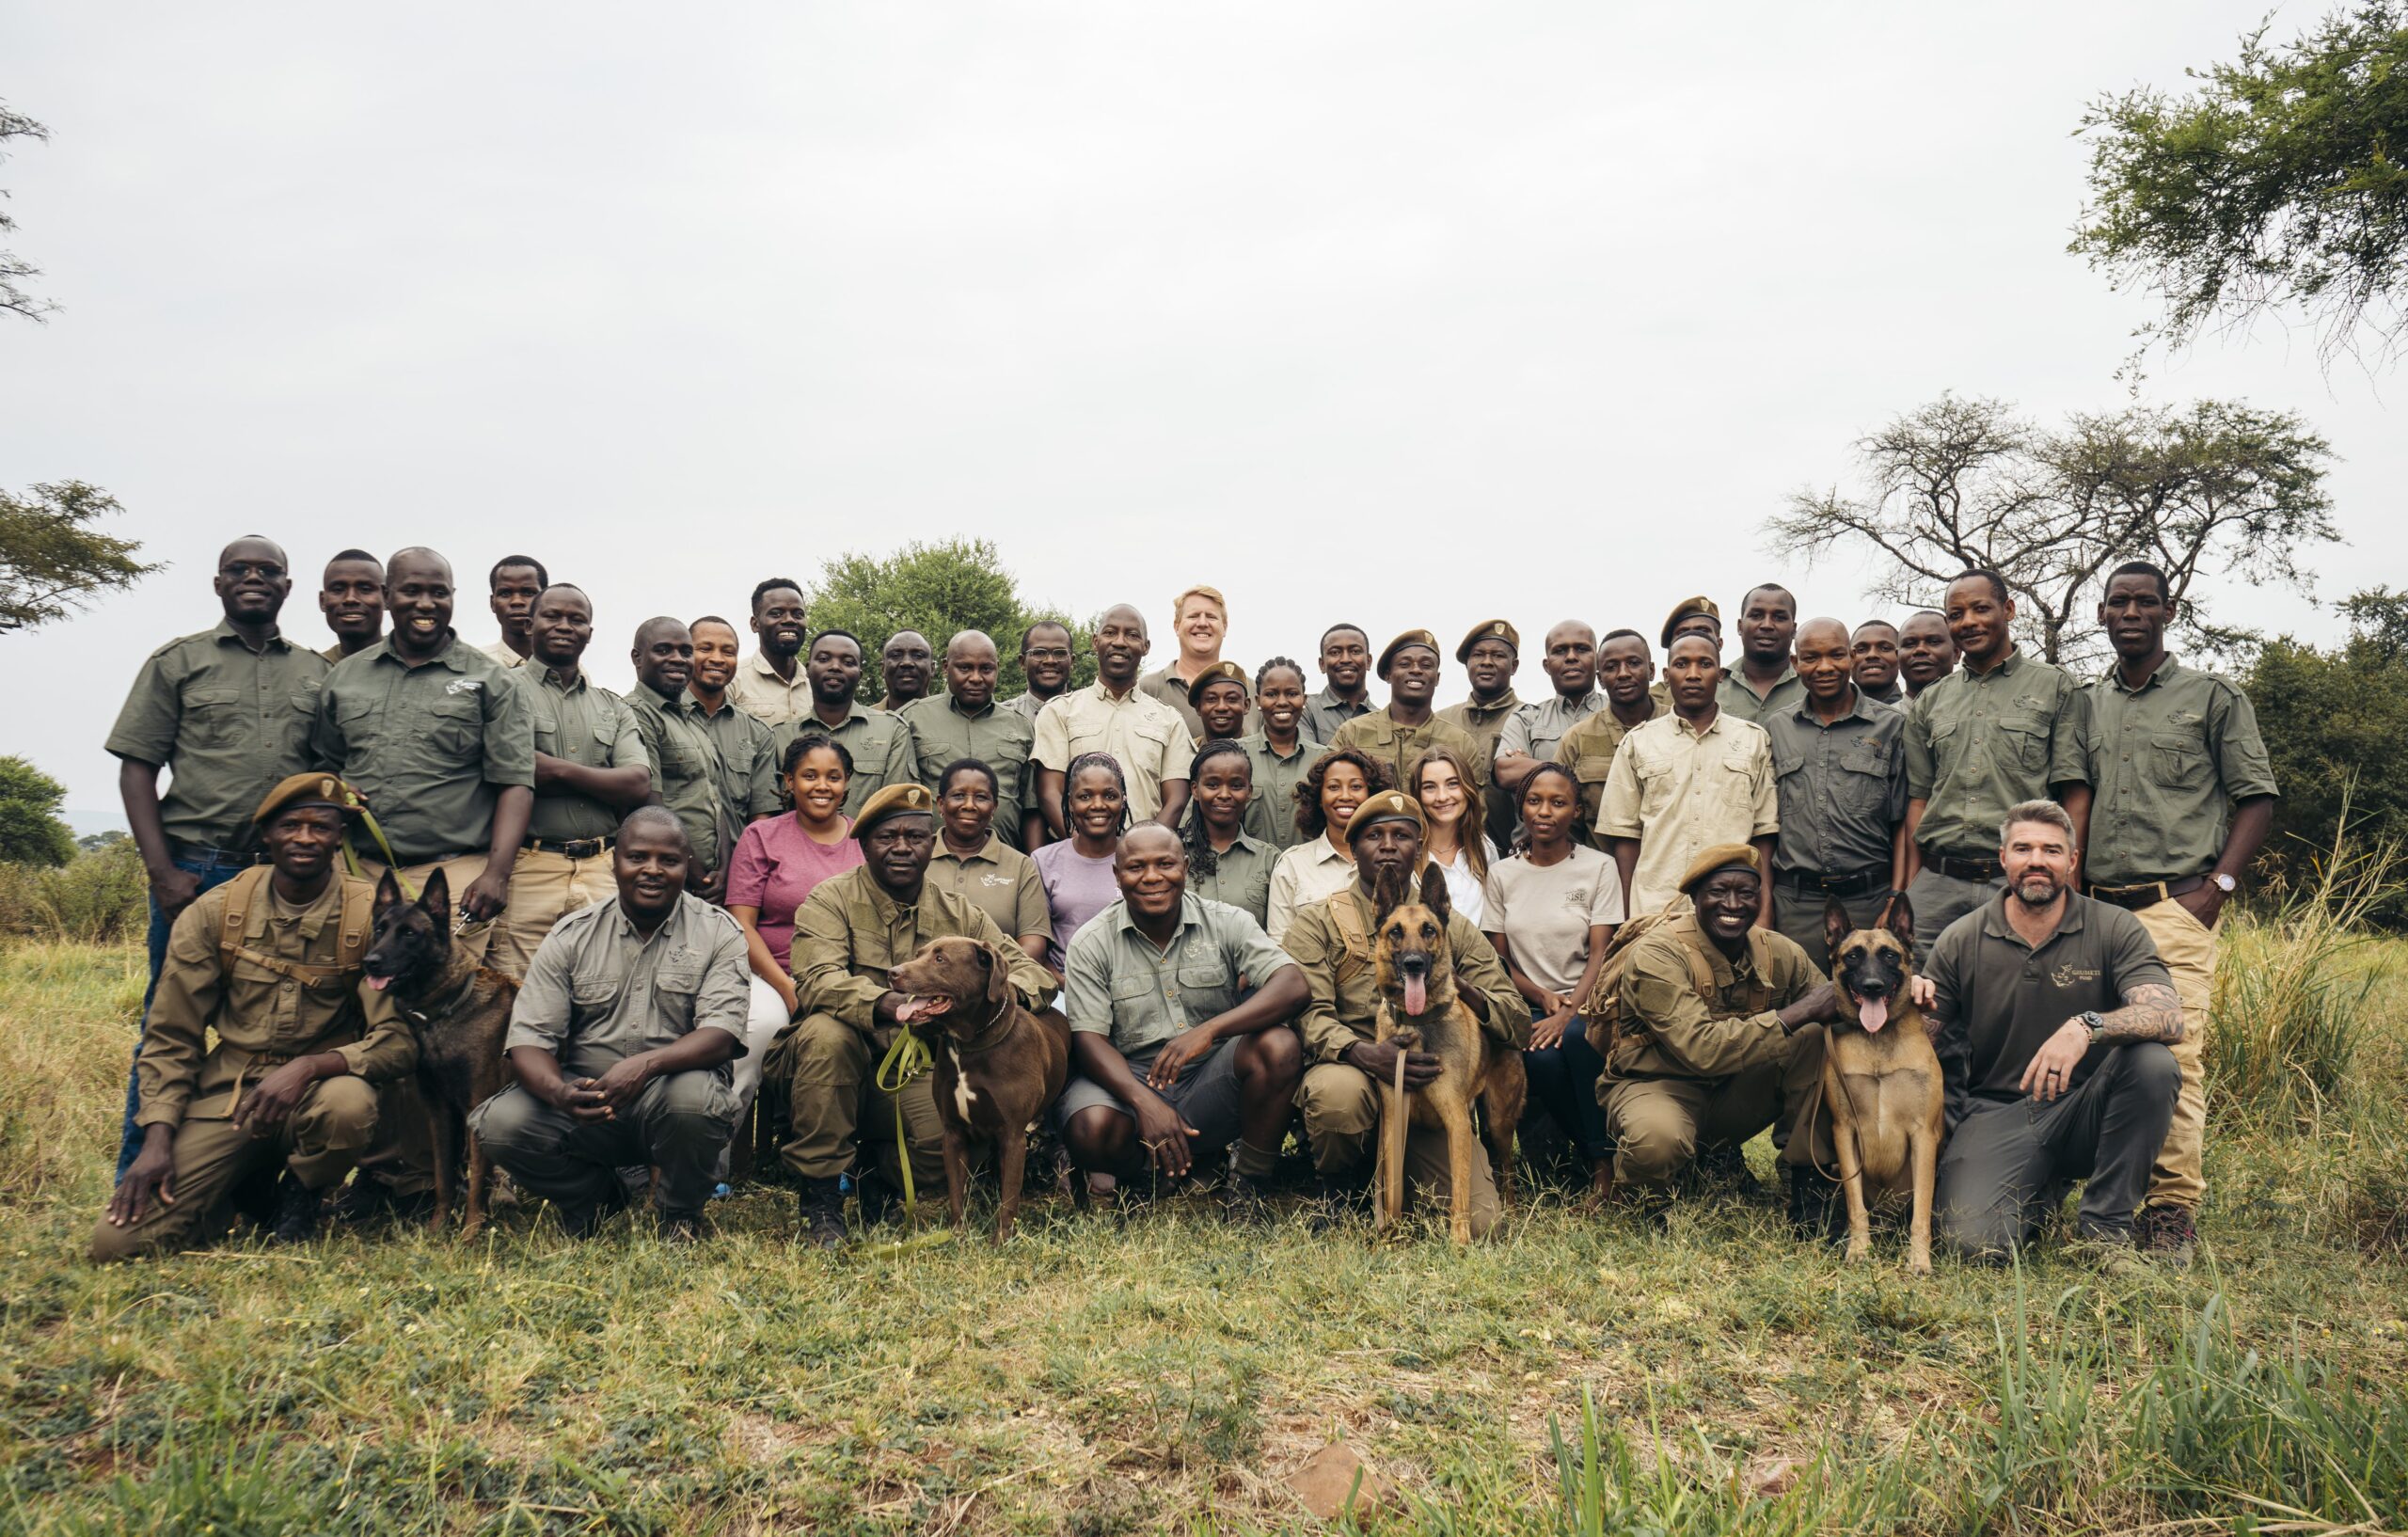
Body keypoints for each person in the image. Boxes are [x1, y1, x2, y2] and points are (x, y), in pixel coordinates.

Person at [91, 773, 415, 1260]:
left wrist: (308, 1067)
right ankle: (244, 1187)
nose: (304, 838)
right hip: (232, 1093)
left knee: (347, 1107)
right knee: (116, 1245)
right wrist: (156, 1142)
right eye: (290, 825)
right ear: (265, 834)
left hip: (322, 1090)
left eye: (320, 828)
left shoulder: (369, 914)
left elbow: (398, 1040)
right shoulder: (214, 912)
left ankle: (300, 1194)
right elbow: (171, 1039)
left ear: (338, 838)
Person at [107, 536, 331, 1179]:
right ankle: (138, 1172)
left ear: (288, 587)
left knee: (285, 1024)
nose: (254, 579)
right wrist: (163, 874)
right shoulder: (179, 662)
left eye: (269, 571)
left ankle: (257, 1181)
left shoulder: (314, 673)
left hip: (286, 876)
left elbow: (325, 775)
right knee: (170, 1022)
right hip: (196, 870)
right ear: (218, 584)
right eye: (240, 570)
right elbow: (137, 771)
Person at [2082, 560, 2277, 1263]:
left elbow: (2257, 795)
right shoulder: (2086, 704)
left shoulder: (2212, 697)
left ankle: (2170, 1213)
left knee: (2171, 1054)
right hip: (2096, 905)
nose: (2131, 613)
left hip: (2175, 905)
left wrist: (2216, 890)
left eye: (2145, 602)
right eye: (2118, 603)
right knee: (2091, 1050)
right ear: (2101, 615)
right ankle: (2098, 1200)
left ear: (2169, 611)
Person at [766, 784, 1058, 1244]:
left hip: (910, 1067)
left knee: (939, 1142)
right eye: (887, 837)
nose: (902, 848)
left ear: (932, 844)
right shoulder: (831, 899)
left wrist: (1002, 994)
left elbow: (1028, 971)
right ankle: (820, 1201)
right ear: (864, 845)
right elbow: (816, 980)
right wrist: (890, 1005)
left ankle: (874, 1178)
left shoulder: (958, 912)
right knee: (827, 1037)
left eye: (916, 837)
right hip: (832, 1063)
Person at [471, 807, 750, 1242]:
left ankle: (679, 1215)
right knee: (499, 1124)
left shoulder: (719, 932)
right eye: (637, 857)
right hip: (586, 1097)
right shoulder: (571, 935)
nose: (652, 870)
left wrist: (646, 1066)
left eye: (669, 860)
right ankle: (595, 1198)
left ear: (686, 866)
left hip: (671, 1097)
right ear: (614, 861)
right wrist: (559, 1093)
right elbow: (528, 1041)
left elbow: (721, 1035)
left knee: (695, 1101)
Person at [1927, 800, 2185, 1262]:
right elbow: (1918, 1040)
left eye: (2051, 850)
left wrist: (2089, 1026)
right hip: (1997, 1112)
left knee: (2152, 1063)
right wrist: (1895, 999)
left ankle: (2105, 1230)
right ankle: (2038, 1190)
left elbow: (2168, 1016)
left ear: (2072, 860)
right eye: (2023, 848)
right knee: (1972, 1247)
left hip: (2090, 1110)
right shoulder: (1961, 938)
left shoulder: (2113, 927)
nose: (2037, 861)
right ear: (2003, 858)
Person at [1279, 790, 1525, 1234]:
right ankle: (1339, 1189)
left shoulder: (1447, 925)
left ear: (1419, 849)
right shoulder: (1317, 921)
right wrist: (1362, 1052)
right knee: (1339, 1097)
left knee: (1486, 1225)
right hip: (1356, 1072)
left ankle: (1406, 1178)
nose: (1388, 845)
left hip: (1431, 1088)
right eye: (1374, 835)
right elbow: (1308, 1014)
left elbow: (1514, 1016)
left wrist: (1460, 989)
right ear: (1353, 849)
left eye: (1402, 835)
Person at [1056, 824, 1307, 1213]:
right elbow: (1089, 1040)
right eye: (1136, 867)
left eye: (1165, 864)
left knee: (1279, 1046)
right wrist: (1145, 1102)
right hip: (1129, 1079)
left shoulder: (1227, 921)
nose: (1152, 877)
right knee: (1090, 1128)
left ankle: (1249, 1184)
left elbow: (1292, 985)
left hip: (1210, 1078)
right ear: (1117, 875)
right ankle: (1147, 1174)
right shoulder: (1092, 941)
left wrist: (1211, 1030)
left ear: (1185, 867)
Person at [1595, 845, 1838, 1221]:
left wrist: (1909, 992)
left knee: (1817, 1038)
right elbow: (1701, 1049)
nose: (1733, 904)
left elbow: (1834, 1007)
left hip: (1733, 1091)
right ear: (1695, 898)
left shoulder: (1778, 951)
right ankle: (1642, 1201)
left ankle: (1807, 1182)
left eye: (1746, 893)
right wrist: (1797, 1012)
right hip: (1659, 1084)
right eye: (1718, 892)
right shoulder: (1659, 954)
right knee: (1657, 1141)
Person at [309, 546, 532, 954]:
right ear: (388, 595)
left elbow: (515, 781)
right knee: (355, 1002)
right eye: (412, 591)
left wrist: (496, 874)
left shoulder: (491, 680)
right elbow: (324, 765)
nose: (426, 604)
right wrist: (336, 789)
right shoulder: (345, 677)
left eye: (440, 592)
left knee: (444, 1009)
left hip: (452, 878)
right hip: (362, 873)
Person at [1901, 570, 2092, 956]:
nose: (1968, 622)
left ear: (2008, 609)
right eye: (1956, 615)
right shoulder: (1931, 701)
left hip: (2019, 880)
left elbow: (2075, 793)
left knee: (2018, 995)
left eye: (1980, 609)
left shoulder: (2055, 687)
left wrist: (2071, 879)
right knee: (1921, 998)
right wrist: (1908, 890)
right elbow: (1918, 800)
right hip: (1937, 883)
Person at [493, 585, 654, 979]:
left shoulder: (610, 705)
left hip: (602, 868)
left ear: (589, 632)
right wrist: (600, 779)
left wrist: (557, 770)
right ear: (531, 625)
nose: (565, 626)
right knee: (520, 995)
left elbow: (637, 784)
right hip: (530, 868)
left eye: (577, 619)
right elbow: (508, 772)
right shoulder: (501, 690)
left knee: (605, 991)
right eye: (553, 616)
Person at [1484, 763, 1624, 1194]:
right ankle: (1595, 1155)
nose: (1544, 811)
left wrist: (1569, 1011)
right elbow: (1499, 960)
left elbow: (1602, 951)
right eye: (1534, 800)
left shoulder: (1599, 867)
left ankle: (1604, 1172)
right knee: (1541, 1060)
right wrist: (1543, 997)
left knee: (1580, 1039)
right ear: (1520, 808)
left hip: (1588, 1002)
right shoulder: (1503, 873)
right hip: (1529, 1004)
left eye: (1558, 802)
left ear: (1576, 812)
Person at [725, 733, 868, 1137]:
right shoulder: (762, 836)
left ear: (846, 783)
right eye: (809, 775)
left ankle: (839, 1156)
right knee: (756, 1031)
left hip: (844, 977)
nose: (822, 786)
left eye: (834, 777)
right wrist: (786, 987)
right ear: (789, 781)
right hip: (771, 973)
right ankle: (710, 1159)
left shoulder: (863, 839)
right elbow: (741, 924)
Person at [1598, 633, 1778, 921]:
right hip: (1656, 909)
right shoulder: (1638, 743)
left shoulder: (1752, 740)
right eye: (1682, 664)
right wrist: (1628, 920)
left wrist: (1763, 916)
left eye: (1704, 664)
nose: (1693, 675)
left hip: (1732, 912)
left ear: (1720, 675)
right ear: (1667, 676)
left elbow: (1763, 838)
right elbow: (1626, 839)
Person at [1763, 617, 1908, 971]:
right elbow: (1764, 825)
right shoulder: (1777, 727)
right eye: (1811, 658)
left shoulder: (1892, 726)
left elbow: (1903, 820)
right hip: (1796, 904)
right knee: (1799, 1009)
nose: (1824, 667)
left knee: (1872, 1007)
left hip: (1870, 899)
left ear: (1853, 658)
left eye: (1836, 655)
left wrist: (1896, 896)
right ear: (1796, 664)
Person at [1032, 605, 1195, 834]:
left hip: (1146, 862)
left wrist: (1144, 849)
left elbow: (1176, 800)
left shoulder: (1169, 719)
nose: (1119, 642)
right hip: (1076, 855)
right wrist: (1084, 849)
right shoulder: (1060, 712)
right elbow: (1049, 793)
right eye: (1110, 633)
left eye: (1132, 635)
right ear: (1095, 641)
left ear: (1146, 647)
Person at [623, 617, 734, 903]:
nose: (677, 660)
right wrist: (692, 869)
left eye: (686, 652)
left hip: (711, 879)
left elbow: (715, 797)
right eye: (663, 650)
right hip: (671, 878)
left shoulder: (690, 716)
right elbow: (651, 803)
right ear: (637, 658)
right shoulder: (637, 713)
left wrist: (724, 866)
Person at [898, 629, 1040, 848]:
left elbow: (1031, 808)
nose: (976, 678)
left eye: (986, 669)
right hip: (930, 860)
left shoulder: (1020, 726)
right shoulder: (912, 718)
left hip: (1003, 861)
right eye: (965, 668)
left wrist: (1032, 863)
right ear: (946, 667)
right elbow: (900, 799)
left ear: (997, 668)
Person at [1328, 630, 1489, 799]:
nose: (1416, 670)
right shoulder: (1352, 733)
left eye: (1426, 665)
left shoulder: (1461, 743)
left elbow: (1474, 813)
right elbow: (1329, 795)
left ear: (1437, 678)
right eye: (1405, 664)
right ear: (1388, 674)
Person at [926, 758, 1052, 965]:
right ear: (941, 803)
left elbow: (1033, 946)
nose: (969, 805)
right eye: (958, 796)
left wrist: (985, 979)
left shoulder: (1020, 866)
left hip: (996, 985)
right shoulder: (918, 857)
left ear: (994, 807)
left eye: (981, 798)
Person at [1490, 623, 1603, 847]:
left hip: (1600, 855)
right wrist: (1594, 775)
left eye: (1581, 649)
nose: (1571, 657)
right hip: (1533, 855)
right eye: (1560, 651)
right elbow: (1505, 771)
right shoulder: (1527, 718)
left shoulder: (1615, 715)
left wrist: (1534, 769)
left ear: (1597, 658)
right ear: (1546, 664)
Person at [1554, 629, 1666, 853]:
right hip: (1604, 875)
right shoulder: (1578, 740)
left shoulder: (1679, 727)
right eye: (1611, 667)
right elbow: (1563, 819)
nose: (1623, 673)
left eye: (1633, 663)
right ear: (1600, 680)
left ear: (1652, 671)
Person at [790, 629, 919, 818]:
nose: (835, 667)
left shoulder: (892, 730)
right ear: (808, 669)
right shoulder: (779, 735)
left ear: (860, 674)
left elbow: (897, 811)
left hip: (865, 848)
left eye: (848, 662)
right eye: (824, 659)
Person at [1266, 747, 1386, 943]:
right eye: (1333, 787)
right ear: (1319, 798)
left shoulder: (1393, 859)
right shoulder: (1292, 865)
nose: (1345, 796)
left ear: (1371, 795)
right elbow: (1279, 947)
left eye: (1356, 787)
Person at [687, 614, 785, 840]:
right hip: (670, 865)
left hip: (736, 866)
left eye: (728, 652)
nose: (717, 659)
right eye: (705, 649)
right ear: (686, 654)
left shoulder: (758, 733)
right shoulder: (663, 717)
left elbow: (762, 817)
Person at [1033, 753, 1132, 967]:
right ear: (1070, 803)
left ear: (1123, 801)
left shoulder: (1137, 856)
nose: (1098, 805)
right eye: (1085, 796)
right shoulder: (1043, 861)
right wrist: (1068, 988)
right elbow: (1036, 948)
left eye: (1109, 795)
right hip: (1062, 991)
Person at [1436, 619, 1523, 849]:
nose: (1487, 662)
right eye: (1478, 655)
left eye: (1497, 655)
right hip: (1449, 854)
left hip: (1511, 854)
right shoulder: (1441, 721)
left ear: (1514, 666)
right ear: (1467, 664)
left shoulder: (1529, 719)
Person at [1178, 739, 1277, 927]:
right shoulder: (1173, 854)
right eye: (1213, 785)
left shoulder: (1269, 860)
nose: (1224, 794)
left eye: (1236, 785)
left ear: (1249, 791)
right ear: (1195, 790)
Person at [1239, 657, 1323, 851]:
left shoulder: (1325, 760)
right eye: (1272, 694)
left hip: (1309, 876)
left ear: (1304, 700)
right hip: (1250, 874)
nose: (1282, 702)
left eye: (1292, 693)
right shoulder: (1235, 754)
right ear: (1259, 701)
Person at [1138, 584, 1237, 738]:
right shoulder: (1147, 689)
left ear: (1224, 627)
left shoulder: (1250, 691)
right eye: (1193, 616)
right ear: (1176, 626)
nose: (1203, 623)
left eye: (1211, 616)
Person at [1412, 746, 1496, 927]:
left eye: (1452, 784)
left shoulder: (1485, 848)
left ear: (1468, 787)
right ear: (1417, 794)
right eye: (1429, 787)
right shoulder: (1407, 853)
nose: (1442, 797)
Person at [727, 578, 812, 726]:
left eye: (798, 614)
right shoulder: (732, 681)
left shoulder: (816, 683)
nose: (790, 620)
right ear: (755, 624)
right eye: (776, 613)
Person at [1719, 583, 1804, 724]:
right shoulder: (1715, 686)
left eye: (1779, 617)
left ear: (1794, 630)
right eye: (1756, 615)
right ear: (1740, 627)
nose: (1767, 625)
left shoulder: (1813, 686)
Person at [1302, 624, 1374, 743]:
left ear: (1369, 661)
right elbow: (1307, 758)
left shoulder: (1383, 718)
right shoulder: (1305, 709)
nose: (1345, 659)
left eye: (1355, 651)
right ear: (1322, 664)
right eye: (1335, 652)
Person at [317, 548, 385, 661]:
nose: (350, 599)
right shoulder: (313, 671)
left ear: (387, 598)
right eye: (338, 589)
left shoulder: (414, 663)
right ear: (322, 601)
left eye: (365, 589)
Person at [481, 555, 546, 669]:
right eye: (505, 593)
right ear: (492, 603)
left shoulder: (569, 672)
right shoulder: (475, 666)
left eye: (528, 593)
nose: (517, 601)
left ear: (546, 600)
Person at [1003, 620, 1076, 721]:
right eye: (1039, 653)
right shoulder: (1002, 718)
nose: (1050, 661)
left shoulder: (1091, 714)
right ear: (1022, 662)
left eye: (1060, 653)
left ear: (1072, 662)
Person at [1896, 610, 1957, 701]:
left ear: (1957, 653)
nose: (1920, 650)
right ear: (1897, 658)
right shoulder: (1881, 715)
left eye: (1934, 642)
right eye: (1909, 644)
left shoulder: (1981, 711)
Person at [1187, 660, 1252, 743]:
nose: (1221, 707)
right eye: (1212, 699)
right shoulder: (1185, 753)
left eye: (1231, 699)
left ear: (1246, 705)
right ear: (1199, 707)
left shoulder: (1262, 753)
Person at [876, 630, 935, 713]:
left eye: (918, 656)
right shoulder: (861, 723)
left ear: (932, 669)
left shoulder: (952, 720)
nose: (907, 662)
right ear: (883, 669)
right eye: (896, 655)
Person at [1850, 620, 1904, 705]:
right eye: (1861, 650)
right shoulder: (1828, 713)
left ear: (1900, 656)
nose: (1872, 655)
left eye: (1885, 648)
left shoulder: (1918, 713)